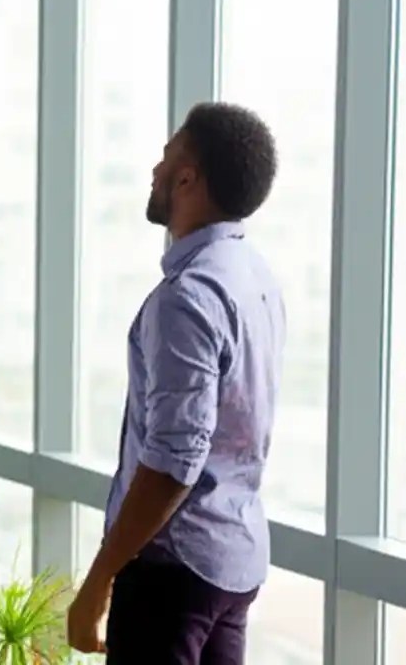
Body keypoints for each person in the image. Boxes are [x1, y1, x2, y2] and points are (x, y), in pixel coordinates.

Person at [67, 102, 285, 665]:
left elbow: (172, 461)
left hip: (173, 574)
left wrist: (98, 580)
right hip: (232, 564)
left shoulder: (186, 297)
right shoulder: (255, 276)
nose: (155, 171)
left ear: (187, 177)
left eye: (165, 159)